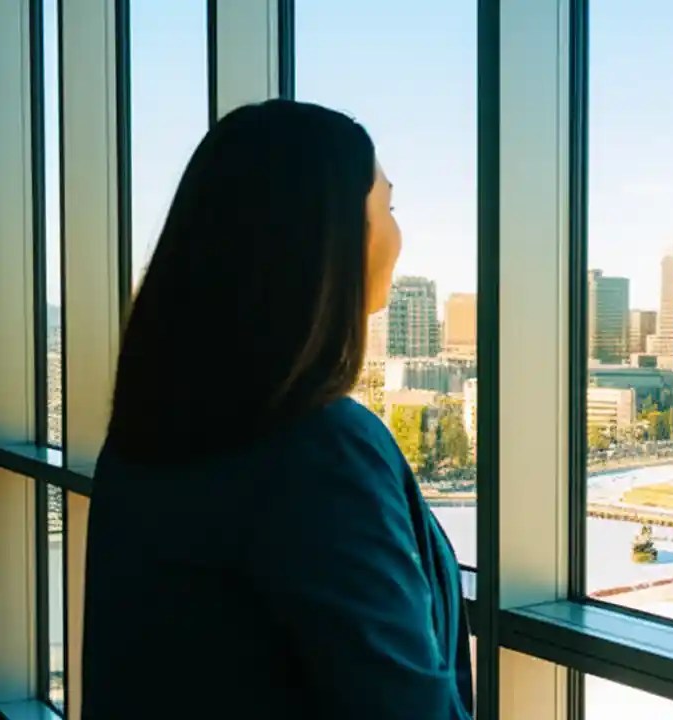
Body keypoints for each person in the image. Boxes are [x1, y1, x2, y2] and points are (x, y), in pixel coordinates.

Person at [83, 100, 472, 719]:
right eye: (388, 207)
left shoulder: (146, 434)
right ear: (334, 236)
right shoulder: (324, 452)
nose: (400, 234)